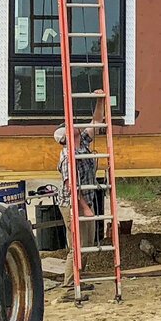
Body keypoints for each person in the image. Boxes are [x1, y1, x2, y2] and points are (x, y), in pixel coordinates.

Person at [53, 99, 106, 290]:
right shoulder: (67, 156)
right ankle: (69, 286)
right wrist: (84, 208)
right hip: (73, 203)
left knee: (87, 243)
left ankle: (78, 280)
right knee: (77, 245)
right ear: (64, 137)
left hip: (86, 201)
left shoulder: (82, 143)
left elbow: (96, 122)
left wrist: (100, 101)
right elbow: (70, 186)